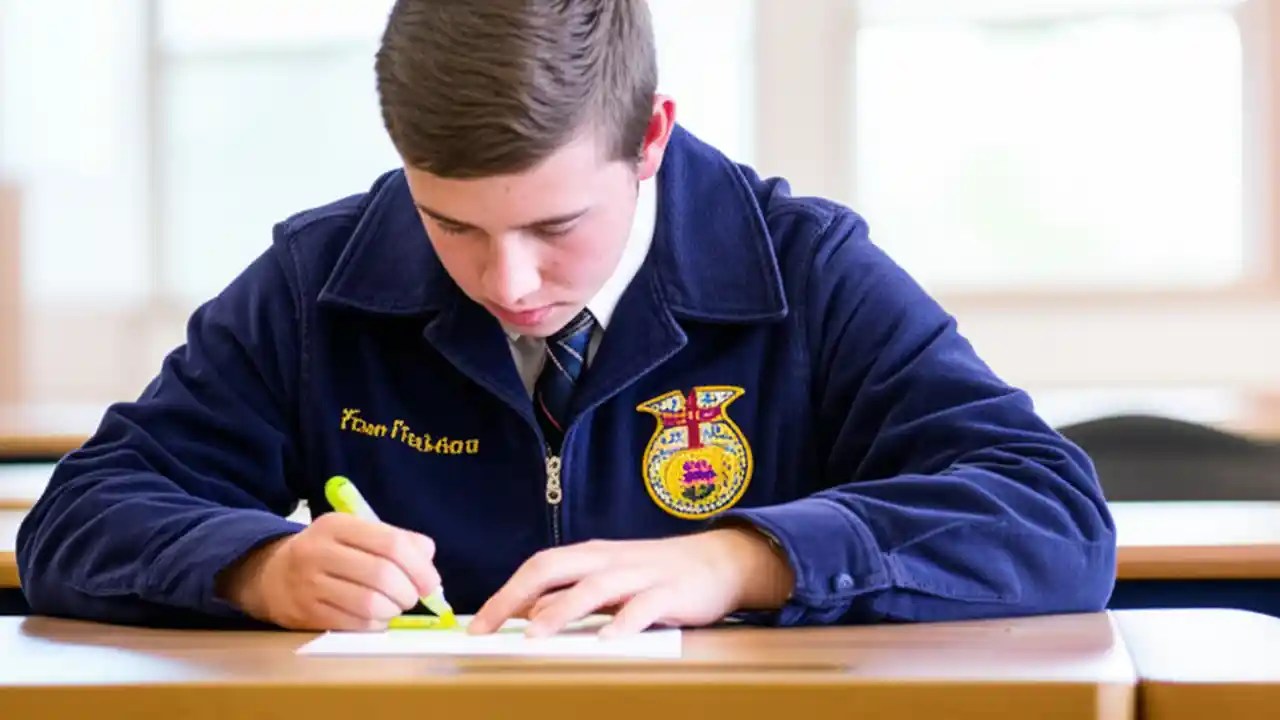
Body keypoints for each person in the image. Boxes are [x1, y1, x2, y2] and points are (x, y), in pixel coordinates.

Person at [16, 0, 1116, 636]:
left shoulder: (803, 269)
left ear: (651, 139)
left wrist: (742, 562)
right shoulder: (321, 279)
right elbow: (80, 514)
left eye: (556, 225)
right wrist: (255, 565)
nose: (507, 282)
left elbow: (1052, 516)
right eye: (451, 224)